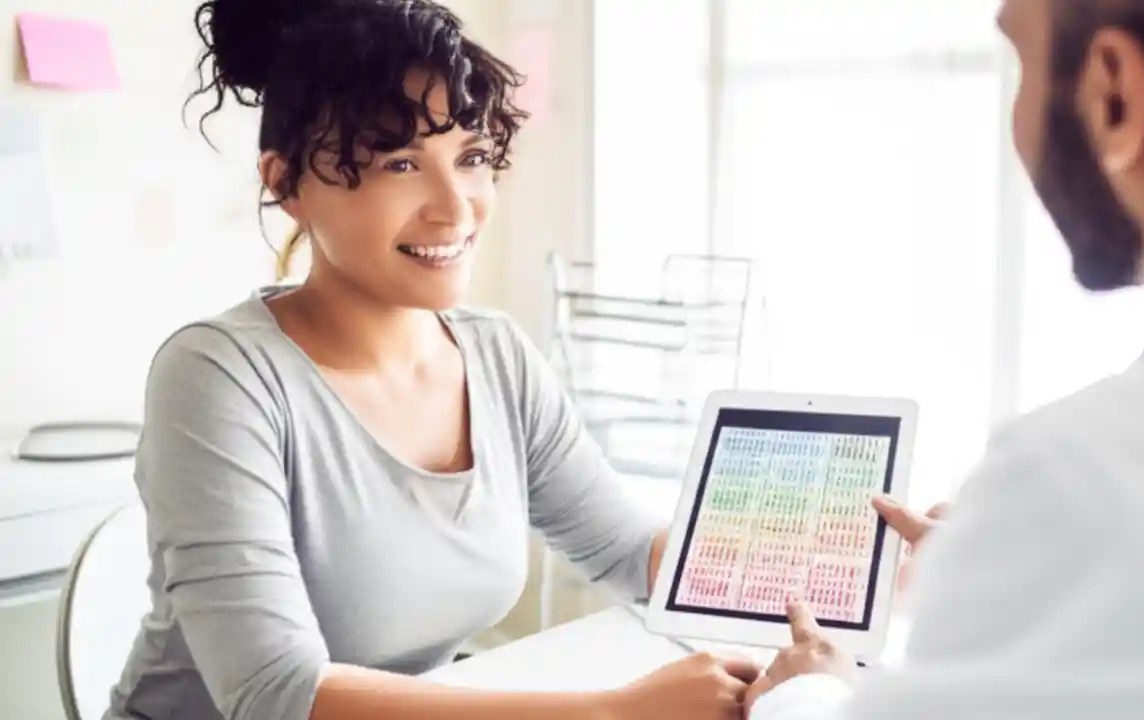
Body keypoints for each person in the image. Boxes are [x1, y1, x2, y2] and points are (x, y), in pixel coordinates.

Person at [105, 1, 761, 719]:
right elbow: (275, 693)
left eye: (472, 158)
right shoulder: (218, 378)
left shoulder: (496, 356)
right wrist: (611, 712)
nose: (457, 207)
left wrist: (856, 586)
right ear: (286, 182)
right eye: (400, 163)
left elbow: (632, 547)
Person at [747, 0, 1144, 717]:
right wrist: (1029, 585)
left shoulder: (1097, 474)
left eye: (1020, 63)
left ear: (1114, 93)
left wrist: (810, 690)